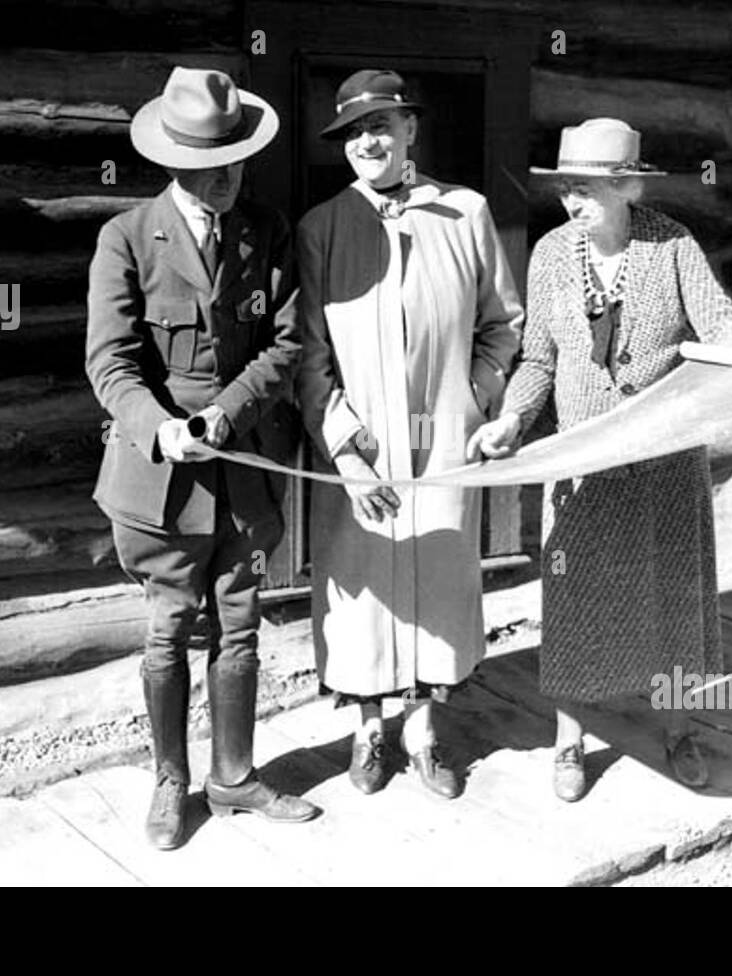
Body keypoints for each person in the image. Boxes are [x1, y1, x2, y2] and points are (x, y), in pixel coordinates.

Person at [468, 118, 732, 802]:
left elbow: (718, 320)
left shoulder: (672, 246)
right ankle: (569, 741)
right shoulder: (550, 254)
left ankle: (678, 729)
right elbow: (539, 359)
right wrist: (513, 417)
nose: (573, 201)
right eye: (567, 187)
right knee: (575, 597)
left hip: (664, 457)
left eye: (590, 188)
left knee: (672, 599)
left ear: (628, 186)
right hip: (585, 460)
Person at [86, 67, 319, 849]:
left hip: (245, 463)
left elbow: (289, 342)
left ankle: (235, 778)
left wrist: (229, 412)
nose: (227, 180)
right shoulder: (125, 237)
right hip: (158, 480)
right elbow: (110, 363)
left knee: (242, 626)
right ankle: (169, 781)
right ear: (173, 160)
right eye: (211, 166)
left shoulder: (267, 228)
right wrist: (163, 427)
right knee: (168, 630)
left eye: (237, 162)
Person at [296, 69, 524, 799]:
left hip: (441, 448)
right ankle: (367, 733)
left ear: (411, 131)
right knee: (363, 594)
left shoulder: (466, 214)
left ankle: (425, 735)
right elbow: (307, 355)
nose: (370, 141)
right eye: (355, 132)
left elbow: (502, 326)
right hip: (362, 455)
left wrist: (473, 400)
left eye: (383, 126)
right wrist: (344, 447)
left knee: (439, 589)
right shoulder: (322, 229)